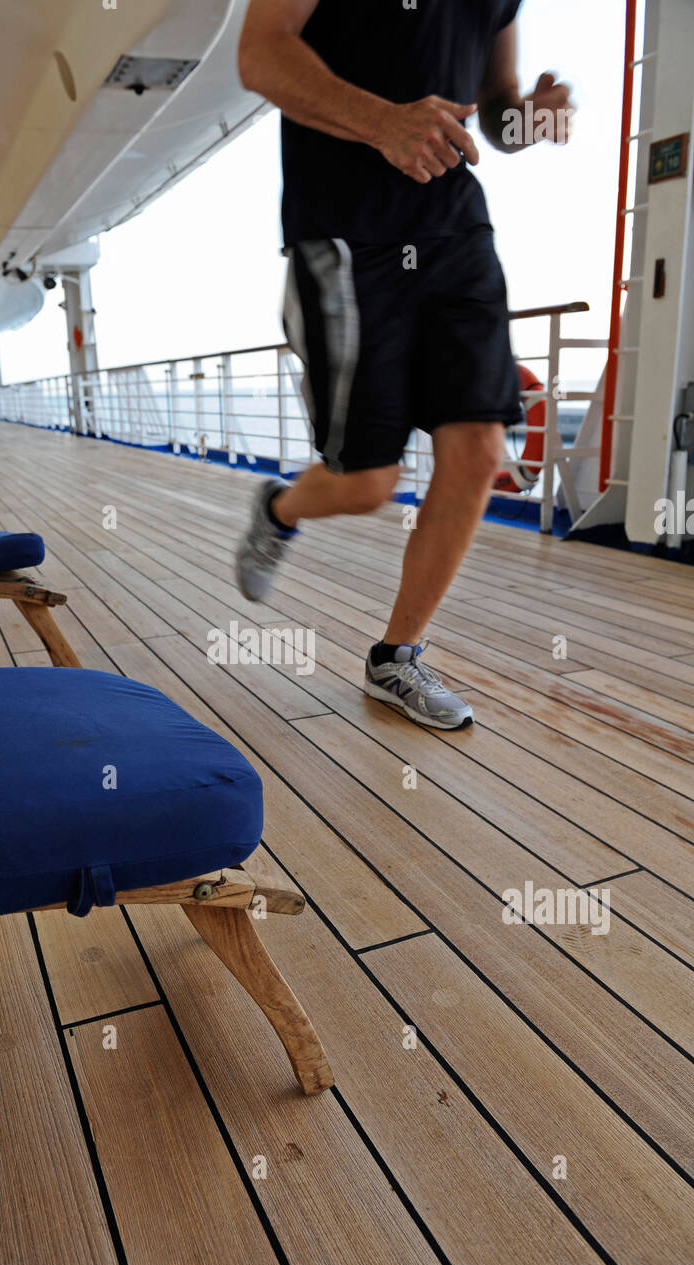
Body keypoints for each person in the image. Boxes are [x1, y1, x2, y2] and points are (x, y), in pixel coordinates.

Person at [235, 0, 572, 729]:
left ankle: (396, 656)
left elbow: (496, 115)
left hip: (455, 227)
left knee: (479, 450)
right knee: (366, 483)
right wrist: (381, 122)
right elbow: (260, 53)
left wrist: (531, 122)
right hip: (345, 231)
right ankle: (279, 508)